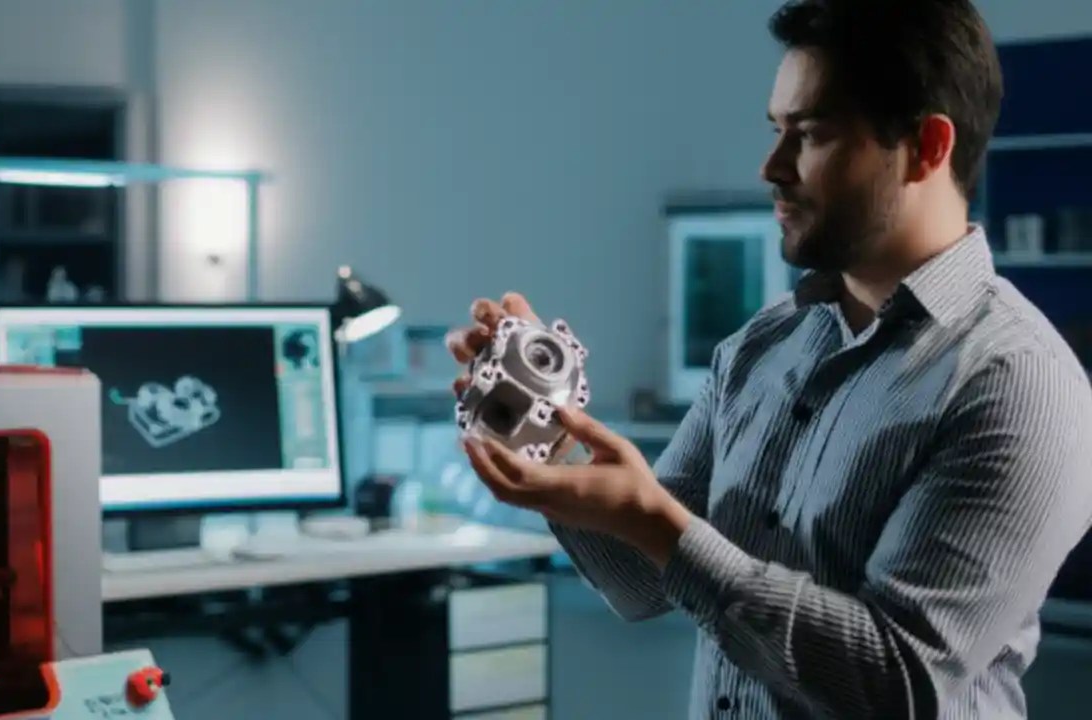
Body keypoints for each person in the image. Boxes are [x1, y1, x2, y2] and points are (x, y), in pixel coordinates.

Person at [446, 1, 1092, 718]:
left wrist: (662, 525)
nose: (772, 167)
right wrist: (542, 431)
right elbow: (642, 584)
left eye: (810, 134)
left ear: (927, 146)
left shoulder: (1016, 383)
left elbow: (899, 686)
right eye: (775, 130)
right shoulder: (759, 348)